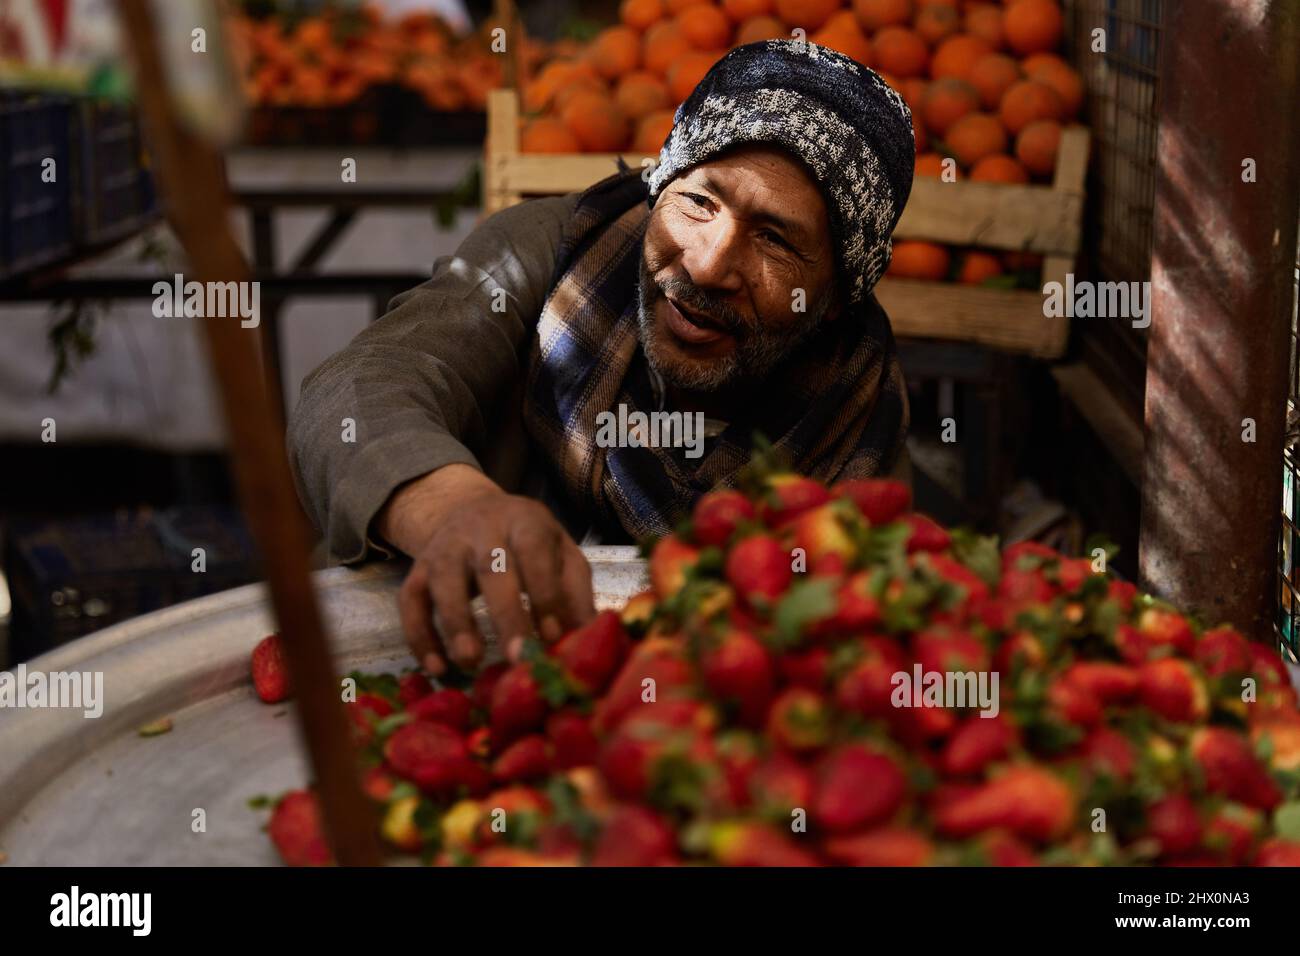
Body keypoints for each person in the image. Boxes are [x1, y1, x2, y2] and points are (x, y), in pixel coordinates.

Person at [288, 40, 916, 675]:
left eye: (775, 238)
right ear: (662, 183)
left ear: (835, 296)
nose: (707, 265)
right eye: (700, 201)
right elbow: (362, 385)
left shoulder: (858, 416)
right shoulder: (547, 256)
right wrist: (451, 506)